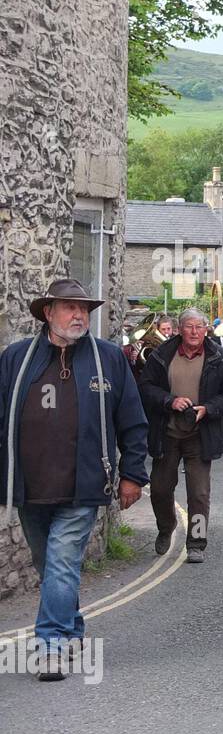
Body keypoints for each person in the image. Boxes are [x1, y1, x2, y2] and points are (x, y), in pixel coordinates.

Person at [0, 280, 150, 679]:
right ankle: (73, 629)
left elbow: (133, 421)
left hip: (85, 484)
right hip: (29, 486)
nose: (79, 315)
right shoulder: (16, 358)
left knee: (63, 561)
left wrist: (133, 474)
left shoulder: (109, 358)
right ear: (48, 313)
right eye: (69, 307)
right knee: (49, 566)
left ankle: (50, 646)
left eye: (84, 308)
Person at [138, 308, 223, 563]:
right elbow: (145, 387)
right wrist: (168, 401)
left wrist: (209, 408)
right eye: (189, 327)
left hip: (200, 433)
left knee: (199, 493)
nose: (194, 332)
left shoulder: (219, 355)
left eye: (199, 327)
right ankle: (166, 526)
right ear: (179, 329)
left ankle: (196, 543)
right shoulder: (163, 354)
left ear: (206, 329)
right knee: (160, 488)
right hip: (167, 431)